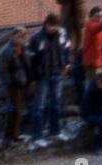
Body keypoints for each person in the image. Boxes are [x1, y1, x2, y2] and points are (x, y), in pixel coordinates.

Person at [28, 13, 71, 144]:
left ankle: (55, 131)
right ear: (46, 24)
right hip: (42, 76)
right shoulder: (36, 38)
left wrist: (67, 64)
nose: (54, 29)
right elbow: (31, 59)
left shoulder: (62, 34)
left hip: (58, 73)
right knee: (39, 106)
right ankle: (37, 136)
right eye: (51, 26)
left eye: (56, 26)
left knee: (56, 104)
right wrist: (33, 78)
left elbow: (67, 49)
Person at [0, 28, 32, 144]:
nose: (21, 39)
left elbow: (26, 65)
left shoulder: (22, 49)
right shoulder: (6, 52)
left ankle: (15, 135)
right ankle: (7, 137)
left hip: (21, 83)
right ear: (13, 37)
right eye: (19, 37)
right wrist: (8, 84)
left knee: (18, 110)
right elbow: (3, 71)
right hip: (12, 86)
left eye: (23, 37)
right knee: (13, 110)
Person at [81, 7, 102, 85]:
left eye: (101, 16)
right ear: (91, 16)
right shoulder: (89, 24)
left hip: (98, 61)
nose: (100, 18)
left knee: (99, 84)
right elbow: (95, 29)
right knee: (92, 84)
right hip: (91, 62)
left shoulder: (99, 27)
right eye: (97, 16)